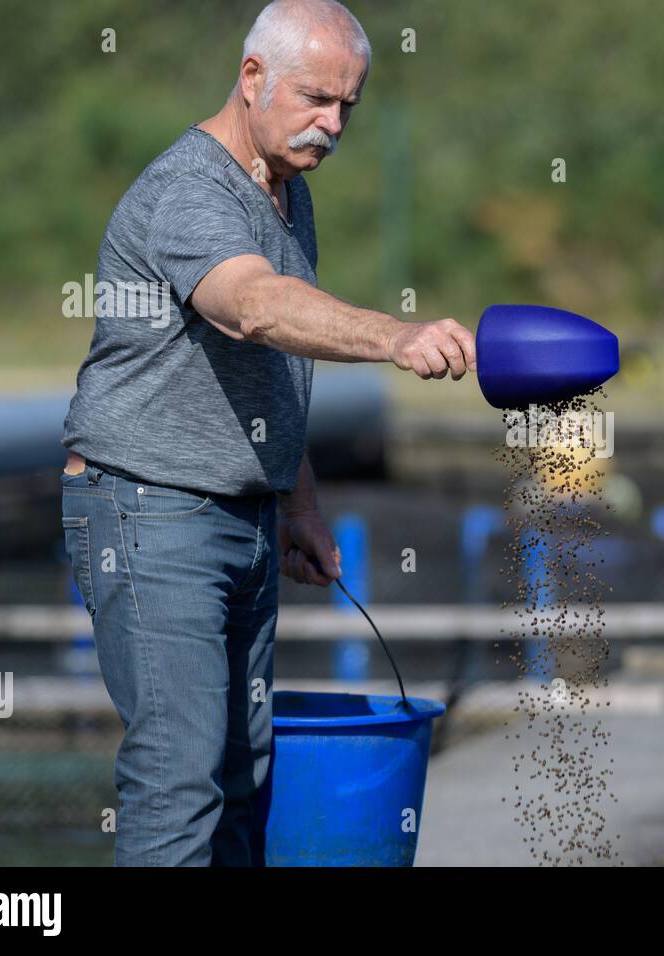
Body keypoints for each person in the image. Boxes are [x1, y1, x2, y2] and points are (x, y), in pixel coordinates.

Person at [59, 0, 475, 866]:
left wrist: (301, 504)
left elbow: (272, 377)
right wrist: (394, 337)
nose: (333, 124)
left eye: (347, 107)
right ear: (252, 79)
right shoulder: (189, 191)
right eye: (317, 98)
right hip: (150, 513)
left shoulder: (287, 192)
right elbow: (253, 309)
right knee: (179, 780)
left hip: (246, 514)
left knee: (245, 774)